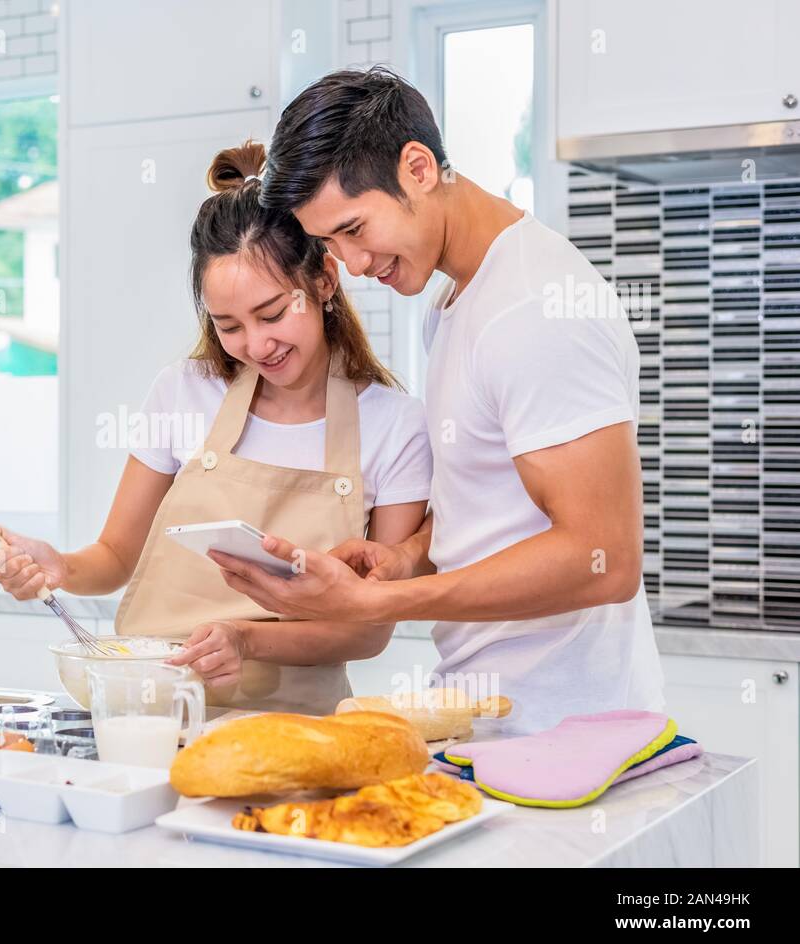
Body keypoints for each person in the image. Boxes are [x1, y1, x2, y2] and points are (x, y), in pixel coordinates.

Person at [210, 68, 664, 733]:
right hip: (493, 715)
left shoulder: (536, 306)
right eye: (331, 244)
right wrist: (403, 559)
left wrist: (376, 605)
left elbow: (607, 558)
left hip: (570, 728)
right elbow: (495, 513)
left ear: (418, 168)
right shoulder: (451, 303)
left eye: (354, 228)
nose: (354, 264)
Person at [0, 141, 431, 715]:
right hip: (149, 716)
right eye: (230, 326)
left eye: (272, 314)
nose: (257, 345)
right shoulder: (183, 391)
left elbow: (369, 629)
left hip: (297, 730)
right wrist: (62, 567)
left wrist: (246, 639)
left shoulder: (395, 425)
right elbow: (118, 556)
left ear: (324, 279)